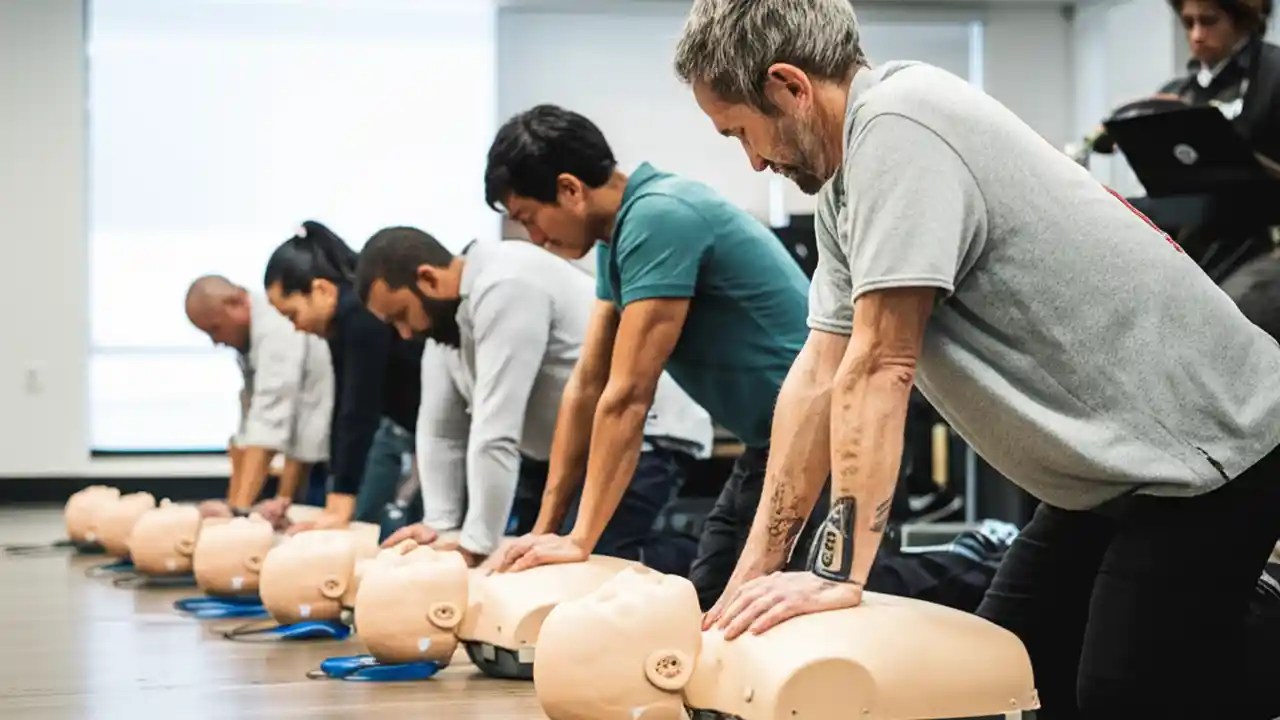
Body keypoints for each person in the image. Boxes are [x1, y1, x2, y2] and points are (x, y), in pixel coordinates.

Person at [673, 1, 1280, 718]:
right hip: (1109, 472)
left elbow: (880, 366)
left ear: (789, 86)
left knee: (1123, 693)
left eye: (741, 131)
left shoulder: (900, 128)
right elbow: (819, 376)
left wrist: (836, 571)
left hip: (1209, 447)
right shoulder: (848, 178)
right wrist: (753, 576)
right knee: (1008, 666)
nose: (751, 160)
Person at [476, 104, 1013, 616]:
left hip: (827, 434)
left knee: (808, 605)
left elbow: (628, 395)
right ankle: (976, 561)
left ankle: (982, 564)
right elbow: (588, 384)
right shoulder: (613, 241)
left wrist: (579, 539)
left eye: (530, 218)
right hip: (772, 442)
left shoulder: (659, 217)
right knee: (715, 606)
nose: (535, 238)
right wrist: (546, 529)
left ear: (569, 190)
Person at [356, 227, 715, 573]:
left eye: (401, 316)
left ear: (428, 279)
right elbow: (441, 433)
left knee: (589, 564)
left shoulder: (505, 282)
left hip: (643, 431)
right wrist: (439, 526)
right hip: (564, 455)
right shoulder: (443, 325)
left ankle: (714, 560)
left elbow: (496, 429)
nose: (404, 333)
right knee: (525, 563)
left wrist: (473, 547)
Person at [263, 221, 424, 531]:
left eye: (292, 314)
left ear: (321, 289)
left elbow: (359, 411)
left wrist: (340, 504)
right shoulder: (343, 321)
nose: (296, 327)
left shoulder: (360, 312)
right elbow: (342, 410)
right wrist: (335, 499)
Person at [184, 274, 333, 528]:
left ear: (238, 302)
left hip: (335, 454)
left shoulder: (278, 327)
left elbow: (270, 420)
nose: (216, 341)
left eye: (215, 328)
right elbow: (250, 425)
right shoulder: (249, 341)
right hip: (309, 450)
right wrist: (232, 506)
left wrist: (238, 514)